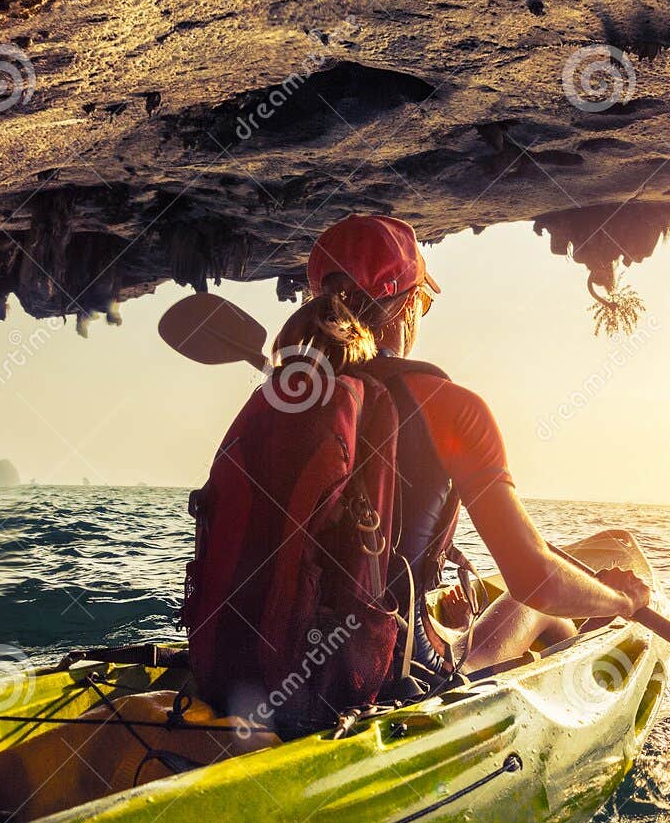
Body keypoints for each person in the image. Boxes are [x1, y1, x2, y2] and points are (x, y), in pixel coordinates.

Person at [278, 213, 649, 680]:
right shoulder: (452, 408)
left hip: (270, 667)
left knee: (480, 623)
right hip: (391, 678)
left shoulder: (290, 401)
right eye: (425, 304)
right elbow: (536, 580)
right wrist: (621, 599)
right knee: (534, 608)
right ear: (410, 305)